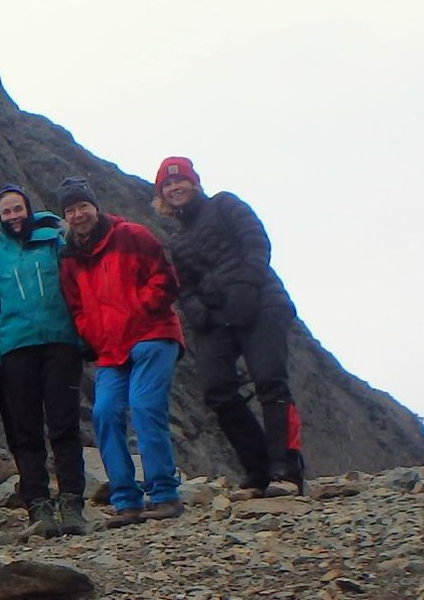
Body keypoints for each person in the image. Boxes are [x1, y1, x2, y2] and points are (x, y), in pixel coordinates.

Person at [154, 156, 305, 498]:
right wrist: (195, 310)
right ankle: (259, 470)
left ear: (194, 182)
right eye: (167, 184)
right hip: (215, 316)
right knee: (218, 391)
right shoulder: (178, 240)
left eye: (180, 181)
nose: (175, 188)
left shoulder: (225, 204)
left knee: (270, 381)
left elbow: (257, 243)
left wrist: (246, 287)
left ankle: (287, 470)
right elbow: (186, 284)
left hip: (262, 303)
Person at [55, 176, 186, 526]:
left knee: (144, 407)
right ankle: (126, 500)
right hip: (110, 348)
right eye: (71, 210)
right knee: (105, 413)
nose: (79, 214)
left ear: (95, 207)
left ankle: (164, 494)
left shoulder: (133, 235)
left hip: (152, 336)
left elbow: (165, 279)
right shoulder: (70, 257)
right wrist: (92, 333)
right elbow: (76, 306)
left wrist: (141, 311)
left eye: (83, 206)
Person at [0, 185, 90, 537]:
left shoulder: (53, 243)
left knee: (64, 424)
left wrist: (82, 338)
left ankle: (72, 501)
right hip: (15, 349)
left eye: (18, 209)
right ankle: (38, 505)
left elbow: (75, 287)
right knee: (26, 431)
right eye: (6, 211)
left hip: (60, 343)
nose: (14, 217)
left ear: (29, 210)